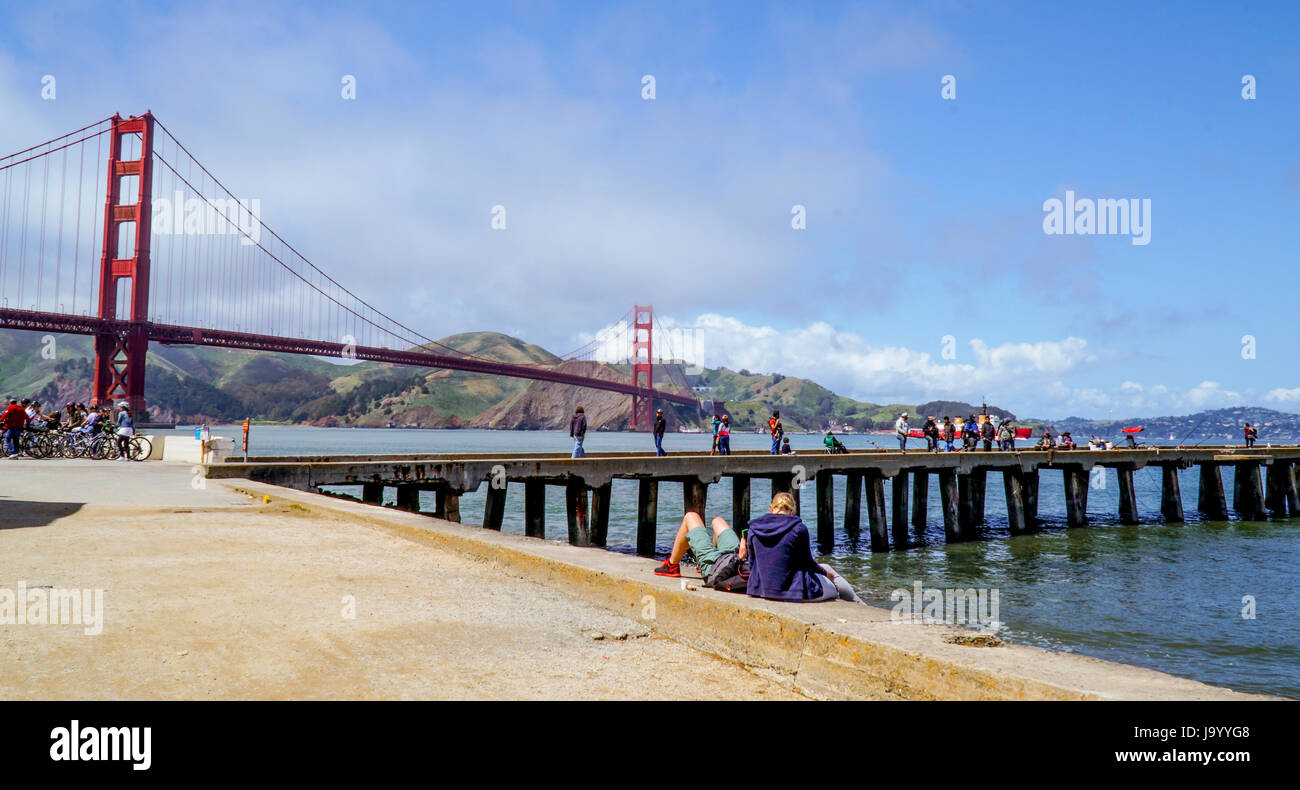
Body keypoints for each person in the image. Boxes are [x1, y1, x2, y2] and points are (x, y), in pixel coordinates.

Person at [746, 492, 861, 603]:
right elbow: (808, 563)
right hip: (794, 592)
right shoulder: (798, 528)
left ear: (771, 508)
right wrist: (826, 574)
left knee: (826, 567)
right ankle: (858, 604)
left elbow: (752, 563)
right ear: (792, 511)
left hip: (760, 590)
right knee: (833, 578)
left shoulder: (753, 529)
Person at [653, 510, 745, 579]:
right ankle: (708, 558)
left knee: (690, 517)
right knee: (717, 521)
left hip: (721, 570)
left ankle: (671, 566)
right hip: (737, 556)